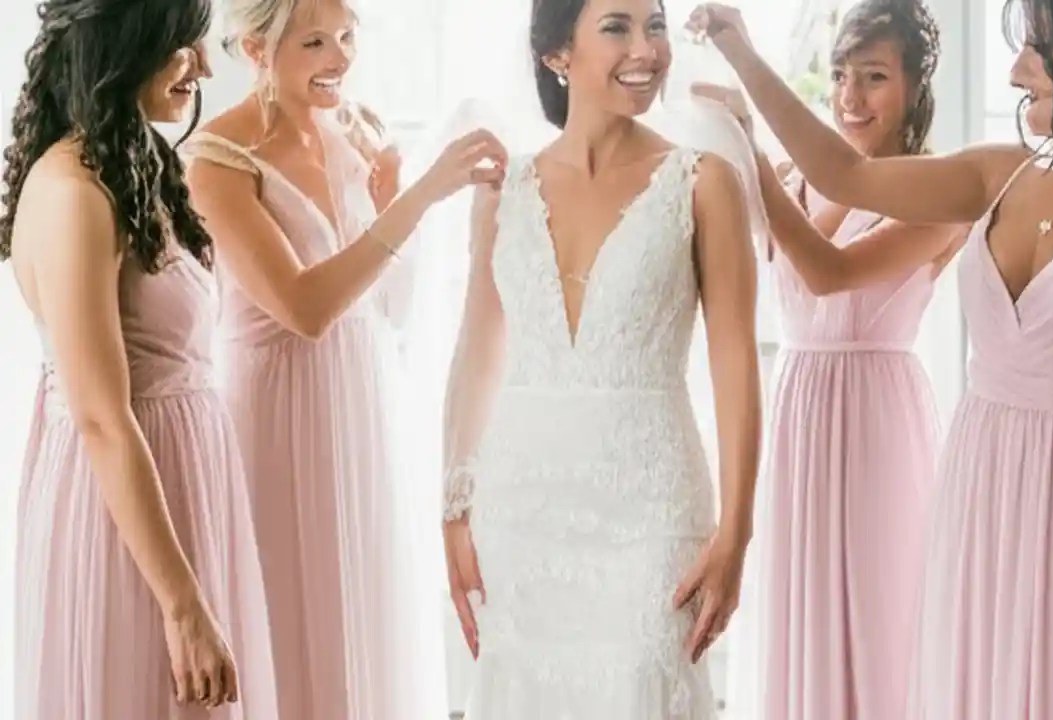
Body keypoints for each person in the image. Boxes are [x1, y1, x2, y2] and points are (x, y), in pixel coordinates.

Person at [690, 0, 1053, 717]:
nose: (1016, 72)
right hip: (980, 487)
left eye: (1038, 51)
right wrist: (740, 50)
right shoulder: (998, 175)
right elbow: (842, 175)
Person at [182, 0, 505, 717]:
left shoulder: (356, 132)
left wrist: (389, 186)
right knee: (289, 623)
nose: (341, 60)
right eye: (317, 42)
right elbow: (305, 307)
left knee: (366, 617)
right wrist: (415, 199)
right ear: (257, 49)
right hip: (273, 419)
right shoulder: (215, 162)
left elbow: (386, 307)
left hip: (362, 407)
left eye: (350, 37)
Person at [439, 0, 761, 717]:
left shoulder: (704, 182)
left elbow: (736, 364)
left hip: (653, 508)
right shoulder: (503, 192)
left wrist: (737, 528)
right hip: (521, 514)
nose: (645, 48)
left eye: (655, 26)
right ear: (558, 53)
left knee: (646, 684)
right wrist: (454, 506)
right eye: (617, 27)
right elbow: (478, 355)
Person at [1, 0, 278, 717]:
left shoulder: (132, 168)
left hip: (183, 481)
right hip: (122, 510)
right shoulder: (71, 193)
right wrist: (182, 605)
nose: (206, 67)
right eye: (184, 47)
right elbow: (99, 416)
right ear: (125, 45)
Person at [693, 2, 960, 717]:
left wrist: (750, 140)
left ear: (915, 85)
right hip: (798, 410)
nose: (849, 96)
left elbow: (829, 270)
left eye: (873, 76)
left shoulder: (941, 192)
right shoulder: (794, 173)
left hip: (877, 421)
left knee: (879, 614)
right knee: (797, 604)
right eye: (842, 75)